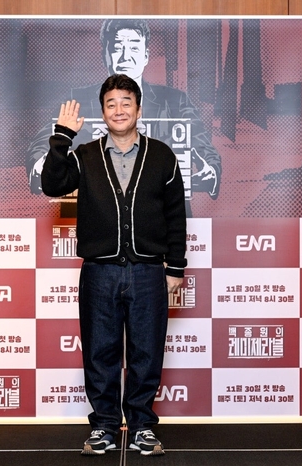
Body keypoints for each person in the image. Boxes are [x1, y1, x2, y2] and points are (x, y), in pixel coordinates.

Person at [41, 74, 186, 455]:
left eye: (126, 102)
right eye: (111, 104)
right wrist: (62, 136)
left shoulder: (162, 156)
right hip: (99, 272)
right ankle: (104, 426)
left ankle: (141, 426)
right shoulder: (85, 156)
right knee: (99, 351)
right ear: (102, 112)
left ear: (139, 108)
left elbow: (176, 215)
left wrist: (175, 267)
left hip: (148, 271)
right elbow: (52, 185)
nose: (119, 110)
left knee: (146, 352)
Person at [27, 18, 221, 216]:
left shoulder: (175, 101)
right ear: (105, 55)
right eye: (117, 48)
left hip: (159, 216)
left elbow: (203, 147)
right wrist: (43, 165)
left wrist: (210, 170)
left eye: (134, 48)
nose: (125, 57)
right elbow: (42, 143)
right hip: (99, 216)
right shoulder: (78, 99)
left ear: (146, 56)